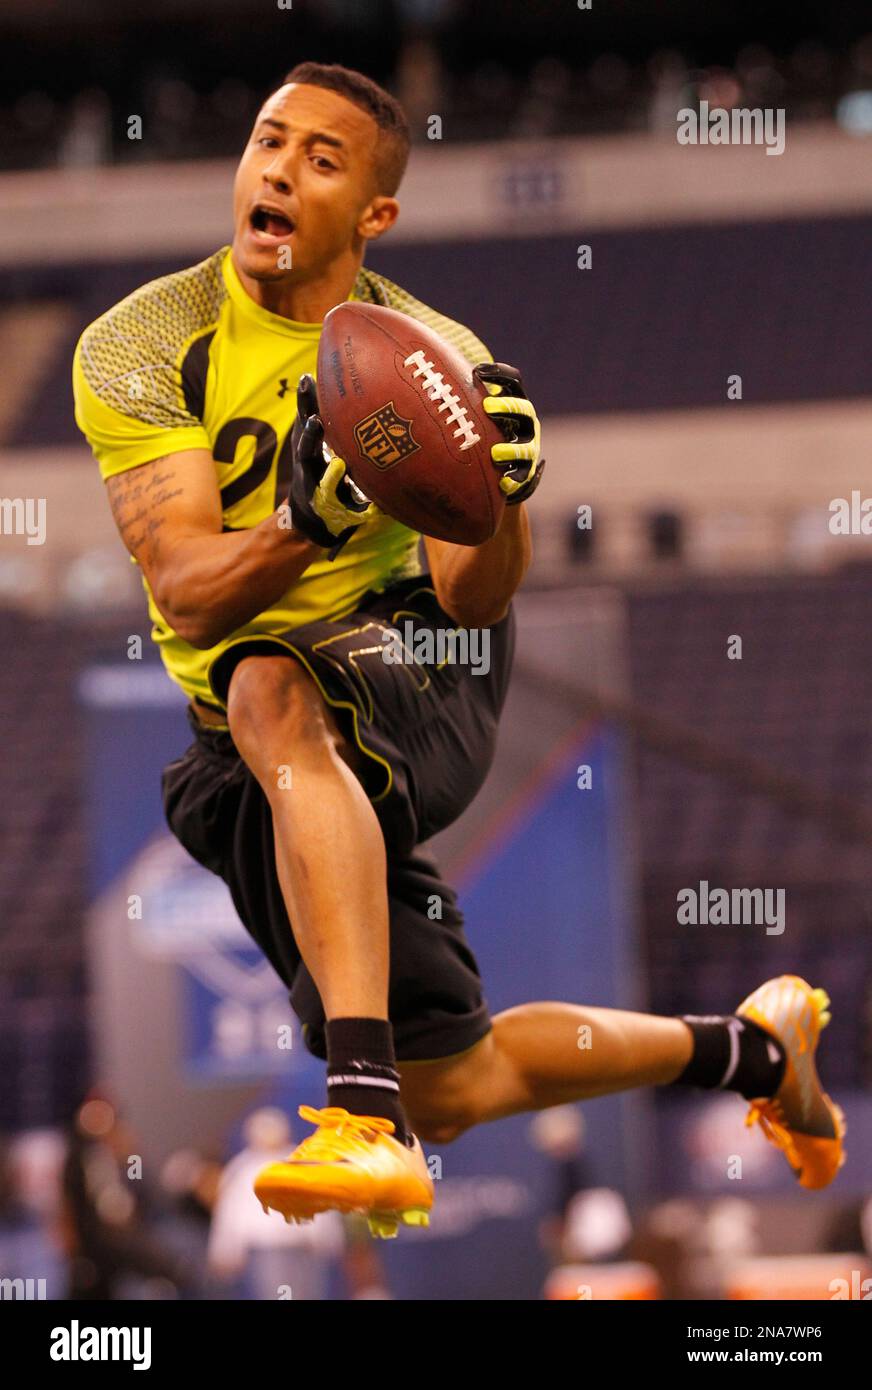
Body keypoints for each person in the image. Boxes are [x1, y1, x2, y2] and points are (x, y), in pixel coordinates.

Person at [73, 61, 844, 1239]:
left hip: (422, 661)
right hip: (246, 736)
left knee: (272, 683)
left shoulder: (430, 353)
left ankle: (359, 1114)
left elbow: (475, 598)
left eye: (320, 159)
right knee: (460, 1081)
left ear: (375, 214)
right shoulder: (141, 341)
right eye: (267, 140)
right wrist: (305, 520)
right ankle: (747, 1049)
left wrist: (504, 494)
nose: (277, 169)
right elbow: (184, 594)